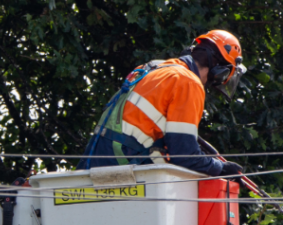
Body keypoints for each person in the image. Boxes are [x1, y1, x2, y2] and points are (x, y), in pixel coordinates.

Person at [80, 30, 246, 177]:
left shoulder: (155, 67)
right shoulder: (188, 82)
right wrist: (220, 168)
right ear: (220, 72)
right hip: (121, 163)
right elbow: (184, 155)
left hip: (95, 157)